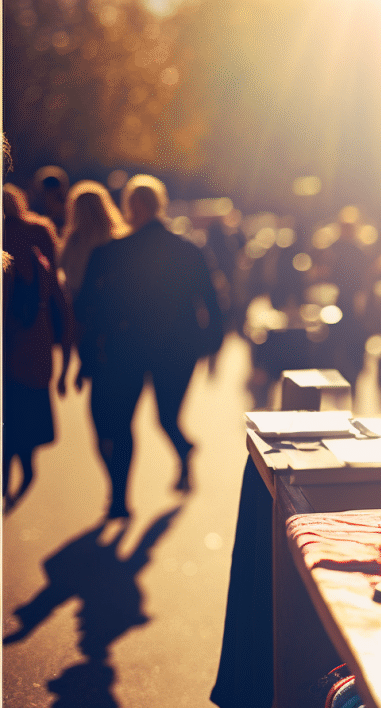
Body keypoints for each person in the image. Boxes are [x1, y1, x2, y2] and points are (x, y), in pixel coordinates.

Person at [75, 174, 223, 519]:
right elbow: (212, 299)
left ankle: (119, 498)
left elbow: (88, 306)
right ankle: (183, 450)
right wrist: (210, 344)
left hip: (127, 347)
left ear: (133, 207)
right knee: (167, 417)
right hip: (178, 347)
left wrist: (87, 355)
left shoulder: (112, 252)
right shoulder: (188, 249)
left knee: (121, 423)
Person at [3, 184, 74, 511]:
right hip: (33, 336)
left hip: (12, 334)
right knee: (27, 403)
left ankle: (6, 473)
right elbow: (57, 292)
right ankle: (25, 466)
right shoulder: (39, 231)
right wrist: (68, 358)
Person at [58, 180, 130, 301]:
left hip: (78, 304)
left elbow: (63, 270)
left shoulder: (73, 240)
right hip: (106, 303)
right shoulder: (116, 239)